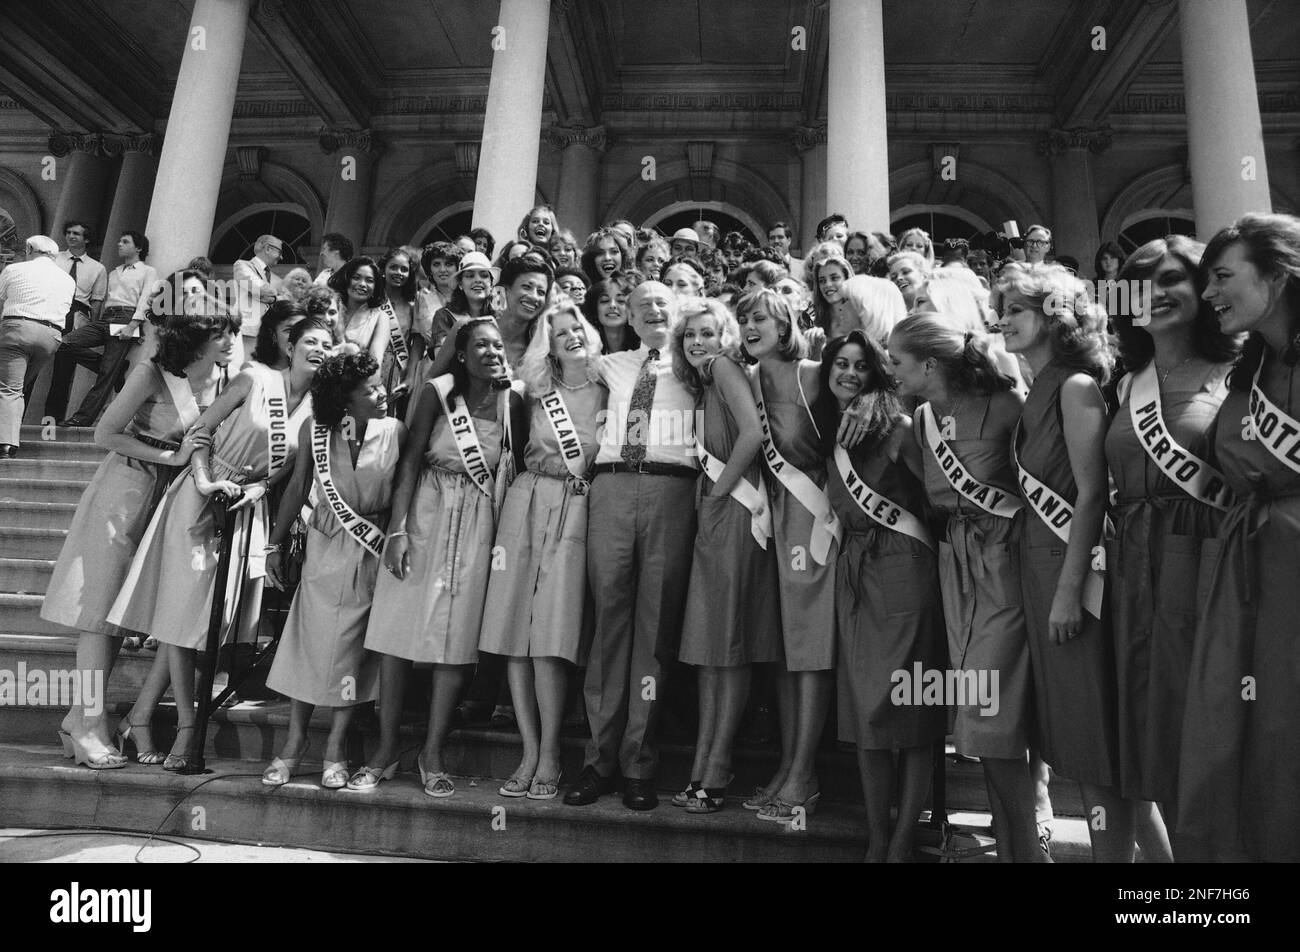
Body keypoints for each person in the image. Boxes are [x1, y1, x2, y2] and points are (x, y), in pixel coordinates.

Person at [108, 317, 332, 770]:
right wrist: (207, 481)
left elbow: (290, 481)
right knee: (185, 614)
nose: (319, 349)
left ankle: (140, 715)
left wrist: (261, 498)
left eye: (328, 344)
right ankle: (190, 728)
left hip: (245, 508)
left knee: (196, 623)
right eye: (310, 340)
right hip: (200, 495)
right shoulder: (254, 378)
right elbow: (200, 432)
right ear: (290, 344)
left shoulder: (316, 409)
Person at [46, 275, 231, 768]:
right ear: (194, 337)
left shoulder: (223, 378)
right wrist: (170, 457)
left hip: (173, 500)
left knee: (127, 615)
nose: (233, 340)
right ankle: (86, 722)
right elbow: (104, 434)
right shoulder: (151, 373)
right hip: (125, 492)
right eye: (223, 333)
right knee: (99, 615)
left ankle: (79, 721)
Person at [887, 311, 1044, 862]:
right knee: (979, 712)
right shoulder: (923, 416)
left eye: (898, 361)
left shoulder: (1006, 406)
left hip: (1003, 562)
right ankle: (1013, 845)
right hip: (955, 566)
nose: (891, 371)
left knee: (987, 712)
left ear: (930, 362)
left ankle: (1028, 850)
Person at [1105, 236, 1239, 862]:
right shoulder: (1120, 383)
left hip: (1211, 571)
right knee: (1148, 737)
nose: (1156, 294)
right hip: (1134, 577)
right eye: (1141, 282)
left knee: (1210, 738)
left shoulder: (1242, 372)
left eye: (1173, 278)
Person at [349, 319, 525, 796]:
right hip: (427, 507)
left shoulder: (516, 399)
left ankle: (432, 751)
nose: (491, 352)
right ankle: (384, 750)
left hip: (479, 518)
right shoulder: (437, 391)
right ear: (461, 354)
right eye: (480, 345)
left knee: (457, 637)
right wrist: (399, 530)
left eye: (497, 345)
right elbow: (408, 460)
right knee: (397, 629)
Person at [995, 262, 1132, 862]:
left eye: (1016, 310)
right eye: (1000, 308)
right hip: (1037, 565)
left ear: (1053, 317)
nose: (1002, 319)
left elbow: (1092, 493)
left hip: (1069, 572)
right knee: (1078, 739)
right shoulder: (1036, 387)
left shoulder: (1073, 386)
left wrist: (1068, 590)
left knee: (1091, 743)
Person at [1179, 213, 1300, 863]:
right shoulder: (1250, 368)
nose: (1209, 292)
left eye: (1223, 276)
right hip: (1245, 573)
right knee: (1235, 734)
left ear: (1278, 276)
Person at [563, 281, 699, 812]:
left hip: (672, 489)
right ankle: (598, 762)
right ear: (631, 320)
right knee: (609, 624)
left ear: (679, 310)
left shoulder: (698, 365)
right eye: (642, 307)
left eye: (662, 303)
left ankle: (639, 763)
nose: (652, 311)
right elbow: (549, 356)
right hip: (613, 486)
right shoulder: (612, 363)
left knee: (655, 628)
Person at [819, 330, 945, 861]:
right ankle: (876, 837)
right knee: (868, 716)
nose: (849, 373)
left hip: (904, 566)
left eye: (860, 366)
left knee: (913, 710)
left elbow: (935, 497)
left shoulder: (896, 427)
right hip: (855, 570)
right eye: (840, 364)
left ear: (876, 372)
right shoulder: (833, 429)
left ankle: (899, 842)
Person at [479, 301, 606, 799]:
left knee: (552, 635)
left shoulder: (610, 387)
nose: (571, 337)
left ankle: (551, 752)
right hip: (526, 500)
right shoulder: (531, 392)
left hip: (577, 505)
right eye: (559, 334)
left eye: (577, 328)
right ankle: (528, 750)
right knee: (515, 629)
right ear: (546, 346)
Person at [261, 353, 403, 787]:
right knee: (311, 643)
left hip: (372, 548)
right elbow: (298, 487)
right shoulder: (316, 430)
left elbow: (402, 494)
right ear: (343, 400)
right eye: (370, 390)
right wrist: (273, 543)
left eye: (380, 385)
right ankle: (294, 743)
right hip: (325, 544)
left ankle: (336, 747)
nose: (381, 394)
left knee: (353, 651)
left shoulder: (396, 431)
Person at [735, 288, 839, 823]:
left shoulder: (814, 373)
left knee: (810, 644)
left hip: (809, 516)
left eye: (761, 317)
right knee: (781, 649)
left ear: (786, 324)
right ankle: (786, 765)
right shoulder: (746, 379)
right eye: (744, 318)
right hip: (767, 518)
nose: (751, 325)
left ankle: (805, 771)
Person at [673, 297, 779, 813]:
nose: (698, 343)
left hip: (733, 507)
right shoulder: (704, 378)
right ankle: (703, 759)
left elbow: (754, 434)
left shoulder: (722, 367)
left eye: (708, 333)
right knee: (712, 643)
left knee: (728, 640)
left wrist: (718, 496)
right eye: (690, 334)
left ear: (725, 337)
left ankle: (717, 765)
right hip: (715, 506)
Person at [49, 230, 159, 427]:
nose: (119, 244)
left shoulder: (147, 271)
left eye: (125, 242)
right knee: (64, 343)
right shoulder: (114, 272)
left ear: (139, 248)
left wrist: (134, 325)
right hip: (106, 319)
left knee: (105, 373)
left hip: (126, 320)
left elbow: (145, 300)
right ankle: (117, 371)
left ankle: (82, 418)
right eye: (120, 240)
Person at [0, 235, 75, 458]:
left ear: (30, 248)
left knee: (9, 389)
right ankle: (7, 436)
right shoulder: (68, 280)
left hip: (18, 330)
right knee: (17, 388)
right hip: (51, 337)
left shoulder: (14, 270)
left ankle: (5, 444)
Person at [231, 234, 283, 363]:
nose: (281, 257)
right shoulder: (242, 266)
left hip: (266, 337)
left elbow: (286, 299)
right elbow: (259, 289)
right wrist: (277, 295)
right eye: (280, 251)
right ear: (267, 248)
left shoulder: (276, 279)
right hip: (245, 332)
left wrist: (273, 297)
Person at [328, 256, 387, 367]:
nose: (362, 284)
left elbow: (376, 363)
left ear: (375, 287)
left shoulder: (380, 317)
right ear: (347, 280)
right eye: (356, 278)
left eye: (369, 280)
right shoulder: (330, 309)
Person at [54, 221, 107, 334]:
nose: (71, 236)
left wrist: (92, 328)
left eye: (76, 233)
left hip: (77, 313)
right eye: (68, 232)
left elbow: (96, 300)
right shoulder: (54, 258)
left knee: (67, 349)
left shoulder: (98, 268)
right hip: (52, 305)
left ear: (86, 239)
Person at [582, 272, 641, 354]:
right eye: (604, 301)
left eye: (621, 301)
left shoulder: (645, 350)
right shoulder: (586, 351)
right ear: (595, 309)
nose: (612, 305)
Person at [248, 299, 307, 370]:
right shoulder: (254, 371)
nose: (298, 336)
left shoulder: (310, 371)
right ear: (272, 334)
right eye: (289, 330)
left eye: (302, 330)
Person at [420, 242, 462, 313]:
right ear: (429, 269)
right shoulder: (422, 300)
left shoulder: (469, 297)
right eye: (436, 264)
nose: (442, 270)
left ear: (457, 268)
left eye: (448, 264)